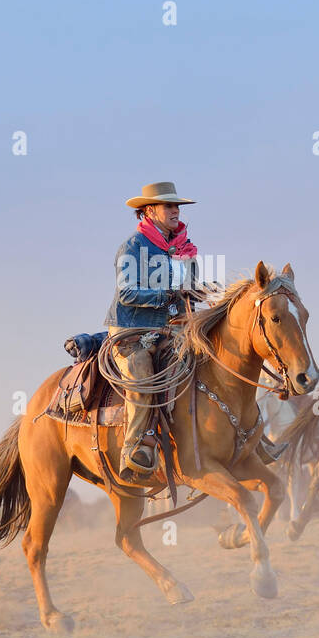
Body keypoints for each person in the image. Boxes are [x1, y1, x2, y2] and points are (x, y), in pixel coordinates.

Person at [104, 182, 201, 479]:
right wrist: (169, 295)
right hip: (131, 332)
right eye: (169, 206)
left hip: (169, 330)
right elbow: (127, 294)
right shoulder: (133, 247)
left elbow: (186, 294)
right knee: (141, 370)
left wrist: (194, 297)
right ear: (149, 211)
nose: (175, 211)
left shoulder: (184, 249)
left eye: (177, 206)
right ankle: (134, 448)